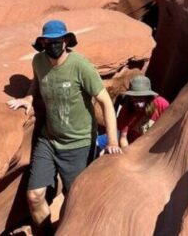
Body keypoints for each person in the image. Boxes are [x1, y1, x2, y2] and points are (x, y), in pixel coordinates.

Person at [7, 20, 121, 235]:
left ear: (67, 41)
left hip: (78, 143)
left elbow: (105, 101)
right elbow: (37, 81)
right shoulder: (39, 61)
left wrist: (113, 142)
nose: (54, 45)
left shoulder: (81, 66)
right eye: (49, 41)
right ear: (42, 43)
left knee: (76, 200)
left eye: (59, 41)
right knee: (34, 196)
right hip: (48, 140)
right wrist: (29, 98)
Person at [115, 75, 169, 148]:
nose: (139, 104)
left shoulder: (161, 104)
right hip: (133, 147)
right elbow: (123, 138)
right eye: (135, 99)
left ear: (148, 96)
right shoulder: (126, 109)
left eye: (141, 99)